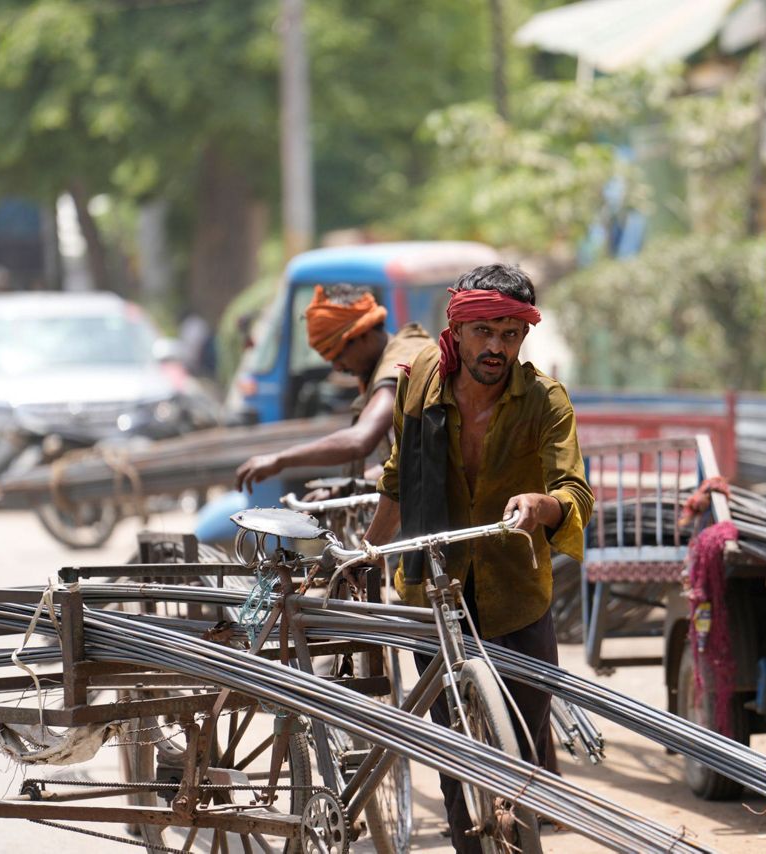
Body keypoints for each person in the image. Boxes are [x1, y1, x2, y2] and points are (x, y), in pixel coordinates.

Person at [361, 263, 593, 853]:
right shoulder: (417, 384)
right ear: (457, 329)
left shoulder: (545, 400)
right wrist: (368, 551)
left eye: (510, 334)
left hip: (516, 594)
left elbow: (576, 492)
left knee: (524, 754)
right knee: (454, 757)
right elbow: (398, 477)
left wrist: (542, 505)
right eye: (484, 331)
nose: (497, 347)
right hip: (432, 590)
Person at [234, 284, 431, 493]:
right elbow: (403, 465)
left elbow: (360, 439)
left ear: (363, 334)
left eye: (338, 355)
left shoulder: (396, 366)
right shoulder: (404, 345)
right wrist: (339, 489)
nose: (337, 367)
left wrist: (280, 460)